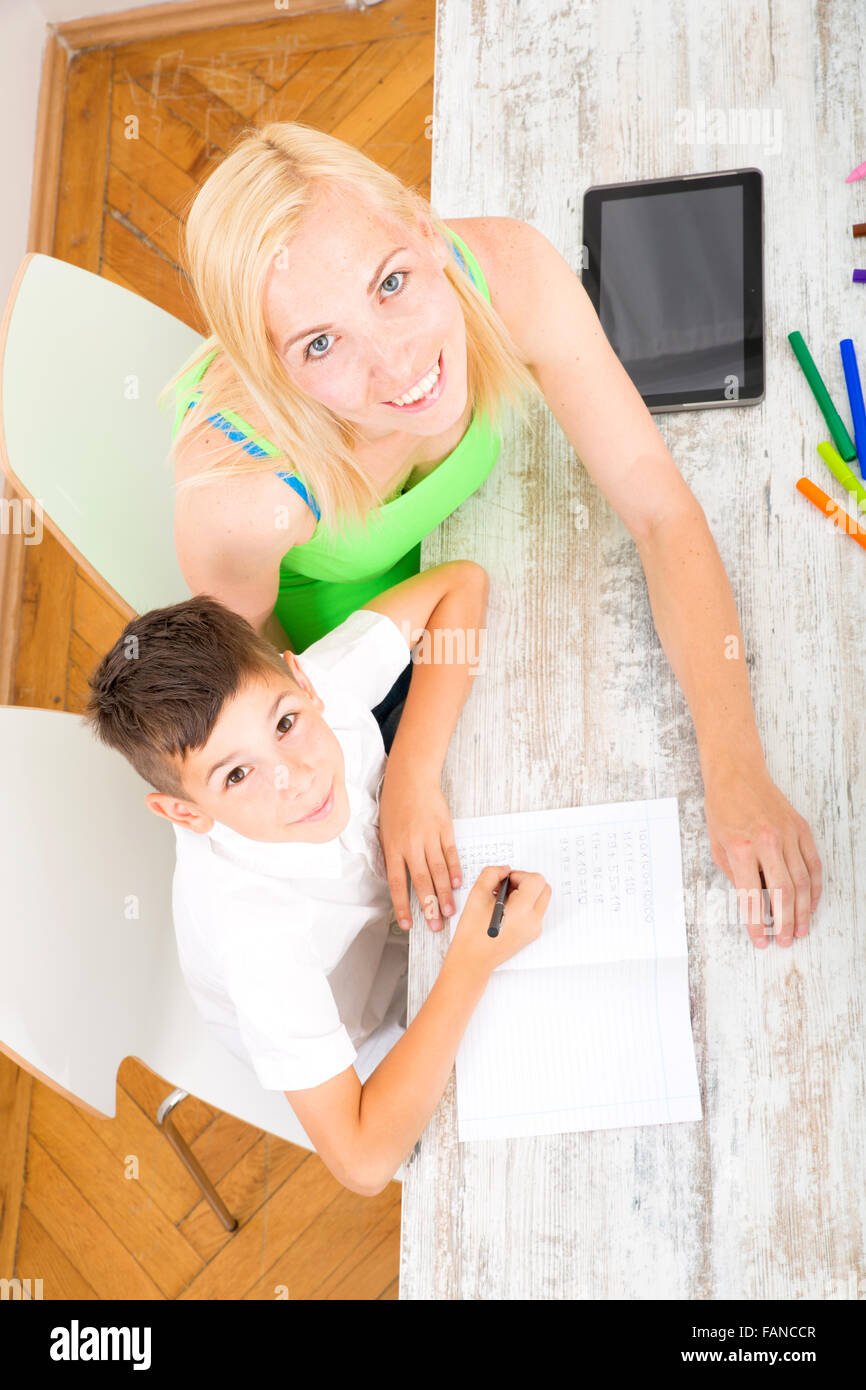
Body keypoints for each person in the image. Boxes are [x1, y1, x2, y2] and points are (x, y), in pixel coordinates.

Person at [163, 121, 822, 948]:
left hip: (462, 601)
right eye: (321, 343)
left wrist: (736, 767)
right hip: (356, 684)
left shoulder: (507, 275)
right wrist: (404, 765)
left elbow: (658, 506)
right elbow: (254, 695)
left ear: (425, 230)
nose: (398, 364)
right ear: (271, 370)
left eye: (392, 282)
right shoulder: (240, 493)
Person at [84, 559, 553, 1194]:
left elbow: (461, 585)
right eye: (237, 775)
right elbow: (362, 1163)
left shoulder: (314, 688)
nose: (296, 776)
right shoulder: (256, 938)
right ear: (185, 812)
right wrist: (469, 964)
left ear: (301, 677)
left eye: (286, 725)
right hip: (368, 1025)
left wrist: (411, 777)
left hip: (414, 918)